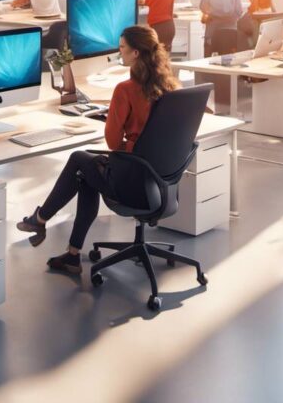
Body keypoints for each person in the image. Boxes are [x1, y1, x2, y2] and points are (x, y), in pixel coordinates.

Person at [16, 25, 180, 275]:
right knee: (85, 174)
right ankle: (71, 254)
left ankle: (40, 219)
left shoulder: (125, 90)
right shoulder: (170, 87)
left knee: (79, 158)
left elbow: (114, 143)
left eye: (123, 47)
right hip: (160, 181)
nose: (120, 52)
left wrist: (119, 128)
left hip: (132, 182)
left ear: (135, 53)